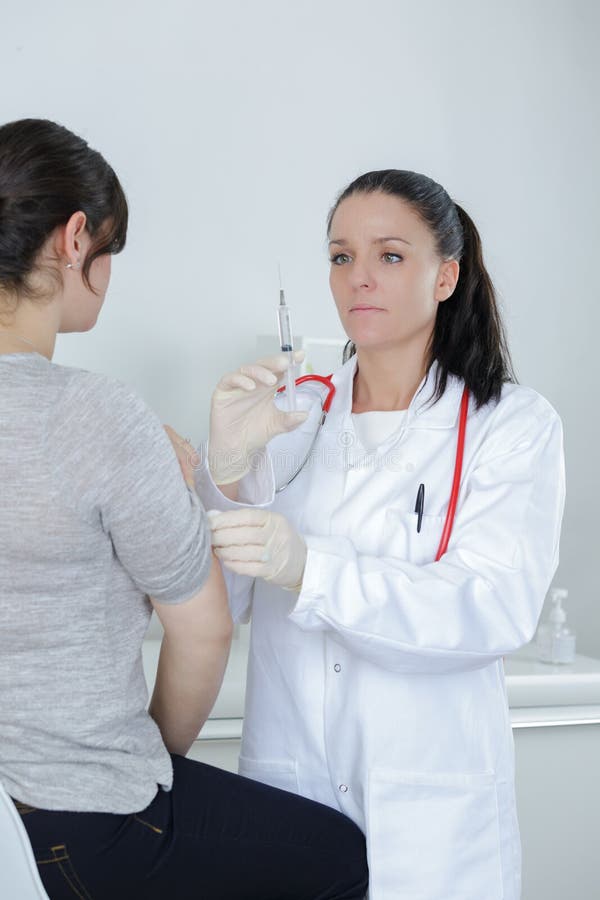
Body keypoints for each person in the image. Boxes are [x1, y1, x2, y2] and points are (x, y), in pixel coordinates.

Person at [0, 118, 368, 900]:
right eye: (109, 251)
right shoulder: (99, 416)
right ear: (74, 240)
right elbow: (201, 629)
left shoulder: (107, 424)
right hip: (79, 824)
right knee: (339, 857)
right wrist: (147, 766)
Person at [192, 169, 566, 900]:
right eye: (340, 257)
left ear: (445, 276)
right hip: (291, 796)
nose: (359, 278)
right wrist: (225, 474)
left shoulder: (512, 426)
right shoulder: (293, 414)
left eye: (390, 256)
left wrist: (312, 571)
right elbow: (219, 603)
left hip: (428, 821)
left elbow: (490, 606)